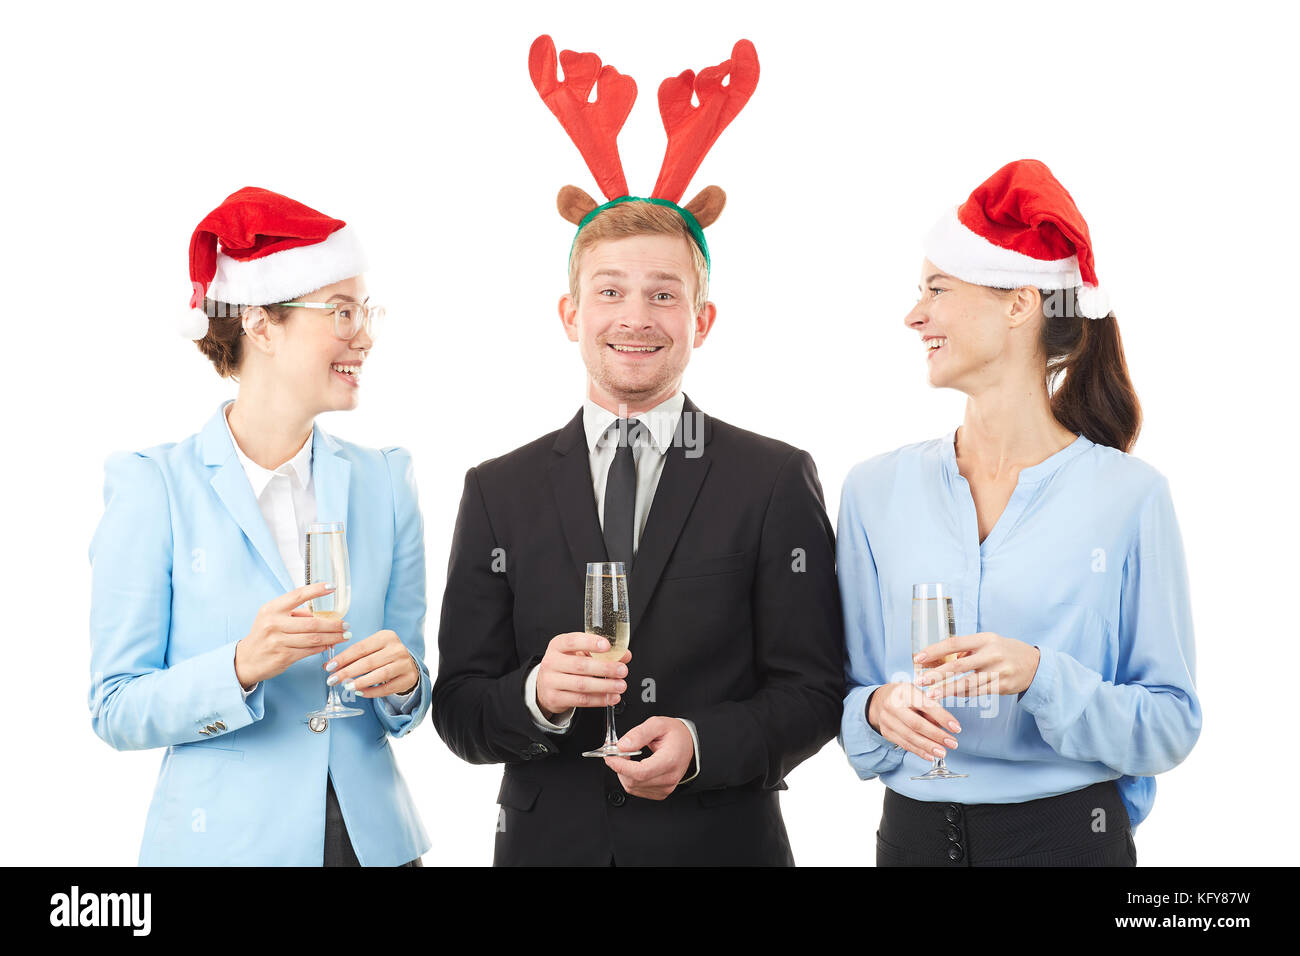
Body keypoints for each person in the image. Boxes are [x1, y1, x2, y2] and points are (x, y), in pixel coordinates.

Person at [431, 36, 844, 866]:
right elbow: (460, 708)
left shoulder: (772, 478)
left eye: (665, 294)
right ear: (568, 313)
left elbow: (816, 689)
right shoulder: (496, 489)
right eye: (610, 291)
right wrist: (537, 697)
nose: (636, 318)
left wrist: (703, 741)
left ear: (703, 320)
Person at [838, 159, 1202, 866]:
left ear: (1020, 303)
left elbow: (1170, 724)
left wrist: (1040, 673)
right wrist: (876, 708)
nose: (914, 315)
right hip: (910, 839)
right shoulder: (873, 491)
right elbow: (844, 689)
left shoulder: (1132, 497)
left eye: (937, 290)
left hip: (1068, 842)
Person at [89, 187, 431, 866]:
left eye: (367, 311)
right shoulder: (153, 485)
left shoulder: (386, 481)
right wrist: (241, 666)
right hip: (222, 847)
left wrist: (407, 683)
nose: (364, 333)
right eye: (341, 311)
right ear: (262, 325)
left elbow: (411, 685)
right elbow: (115, 707)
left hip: (373, 845)